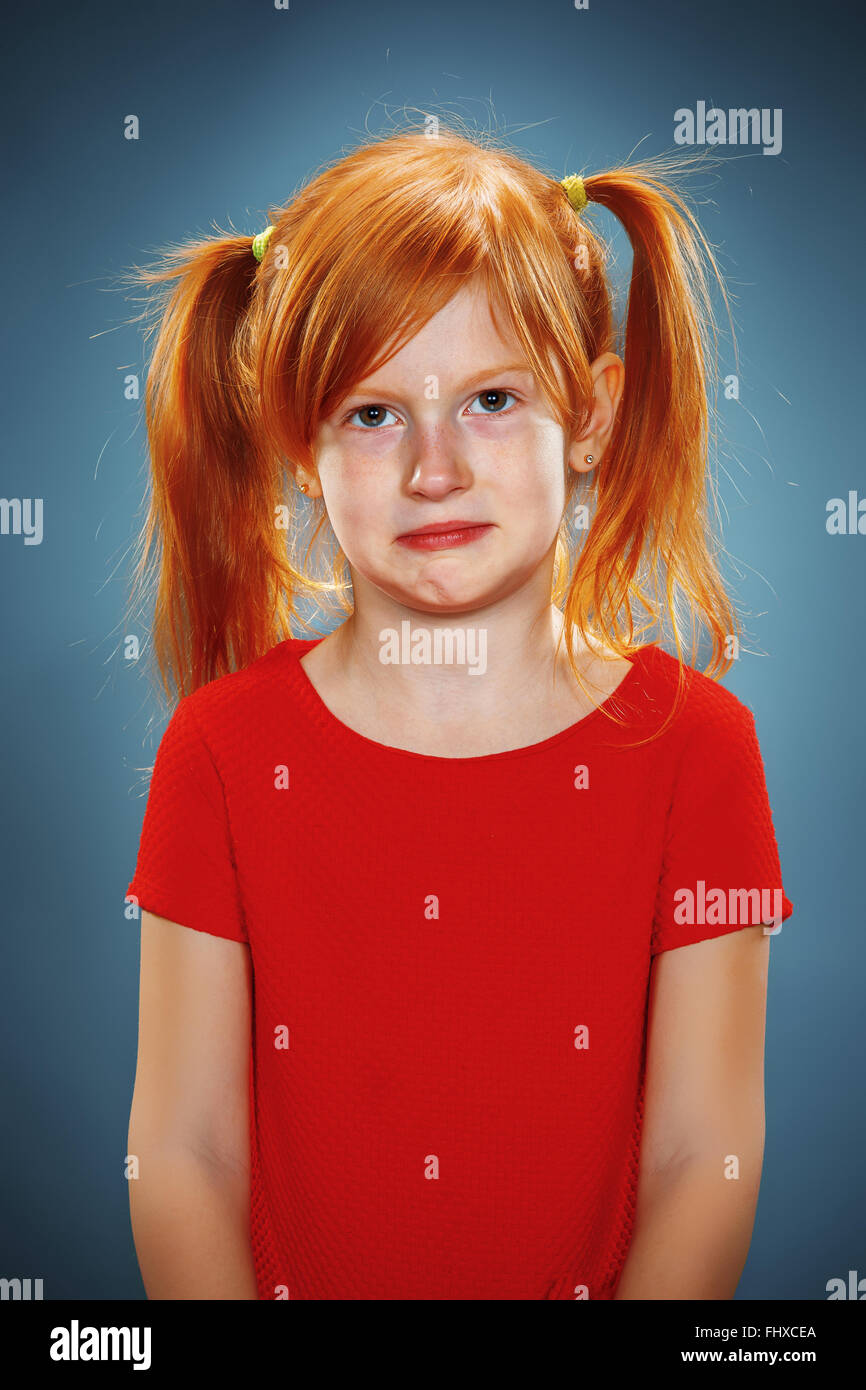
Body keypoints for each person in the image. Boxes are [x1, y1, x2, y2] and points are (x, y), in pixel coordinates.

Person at [125, 124, 793, 1300]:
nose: (433, 469)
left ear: (588, 416)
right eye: (372, 414)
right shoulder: (222, 751)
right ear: (300, 447)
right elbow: (184, 1153)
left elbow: (704, 1157)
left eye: (489, 398)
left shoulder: (696, 747)